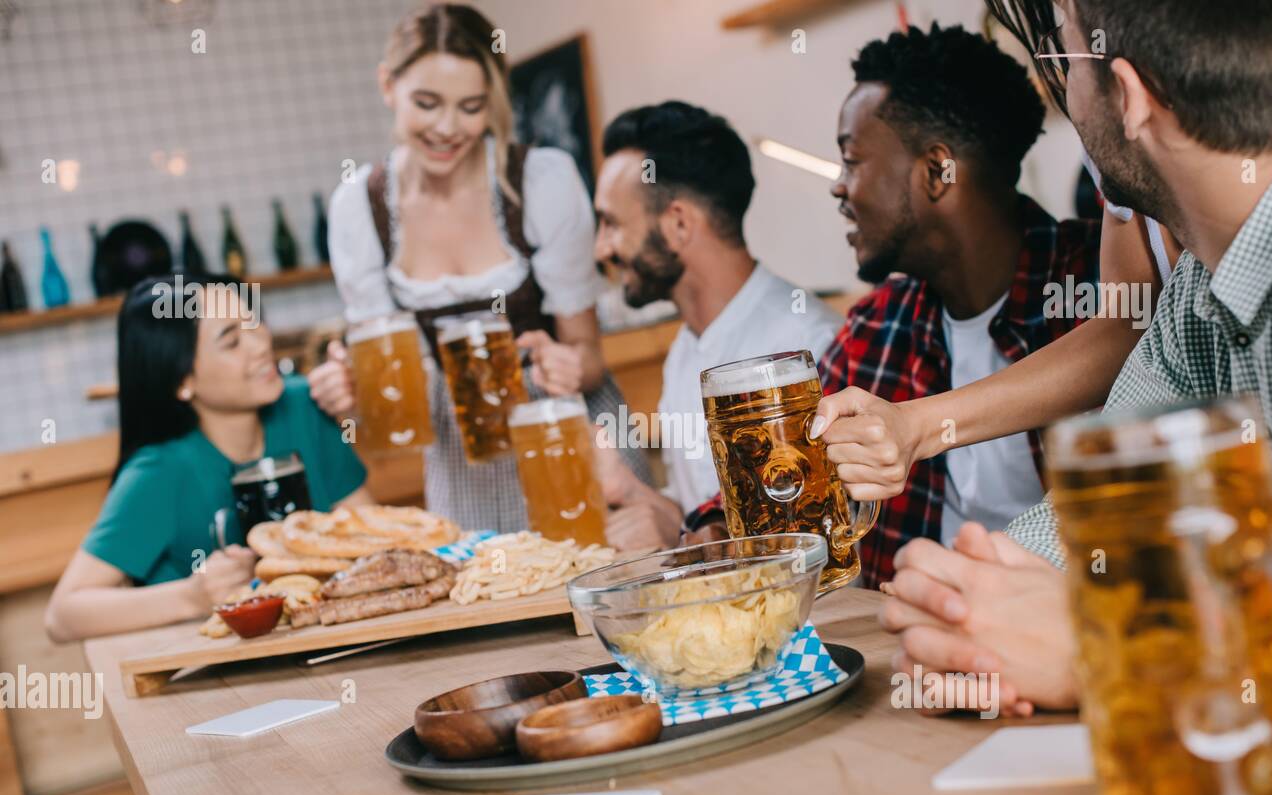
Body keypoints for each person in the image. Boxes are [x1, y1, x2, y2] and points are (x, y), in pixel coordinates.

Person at [837, 0, 1272, 712]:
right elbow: (1091, 518)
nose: (1064, 102)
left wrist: (1108, 645)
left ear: (1131, 98)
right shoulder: (1194, 292)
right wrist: (971, 604)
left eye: (1066, 67)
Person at [686, 24, 1103, 589]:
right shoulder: (879, 324)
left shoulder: (1095, 286)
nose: (838, 187)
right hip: (919, 643)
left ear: (936, 173)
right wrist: (715, 527)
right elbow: (788, 463)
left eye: (852, 160)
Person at [310, 3, 651, 534]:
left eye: (471, 107)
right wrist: (355, 391)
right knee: (490, 596)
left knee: (614, 593)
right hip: (460, 454)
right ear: (387, 86)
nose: (448, 128)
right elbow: (397, 398)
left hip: (566, 429)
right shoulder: (358, 208)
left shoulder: (541, 180)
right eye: (427, 103)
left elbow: (587, 356)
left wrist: (565, 364)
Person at [45, 275, 371, 643]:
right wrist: (191, 597)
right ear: (182, 380)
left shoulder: (304, 406)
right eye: (232, 341)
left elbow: (365, 533)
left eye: (253, 322)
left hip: (335, 645)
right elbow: (62, 616)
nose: (260, 344)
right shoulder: (159, 471)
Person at [590, 101, 842, 550]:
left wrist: (674, 532)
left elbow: (813, 540)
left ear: (679, 224)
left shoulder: (809, 346)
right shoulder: (686, 348)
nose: (600, 249)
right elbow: (707, 518)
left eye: (610, 223)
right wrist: (634, 495)